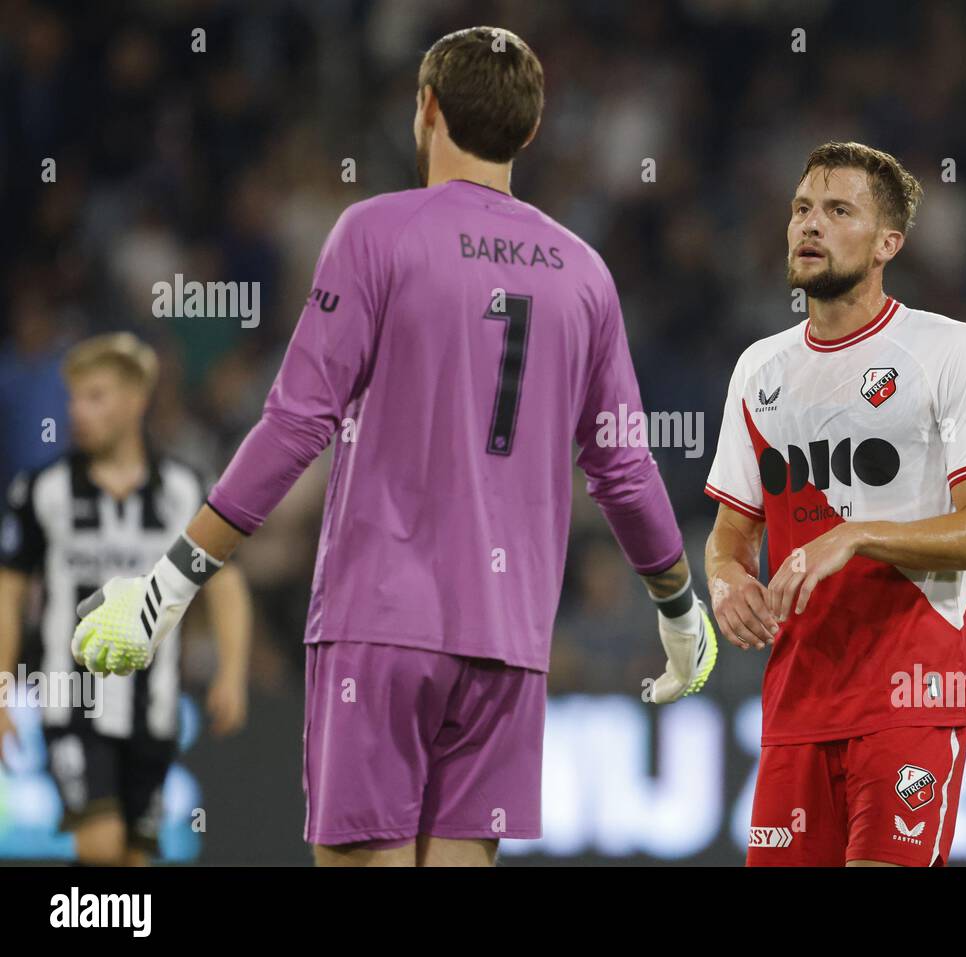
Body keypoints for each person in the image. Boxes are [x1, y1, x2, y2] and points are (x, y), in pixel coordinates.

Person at [68, 27, 716, 868]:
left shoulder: (376, 232)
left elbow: (297, 421)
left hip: (382, 622)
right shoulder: (585, 273)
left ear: (428, 110)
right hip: (508, 641)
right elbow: (624, 466)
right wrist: (677, 609)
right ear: (529, 130)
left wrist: (168, 584)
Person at [704, 142, 966, 867]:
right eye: (801, 209)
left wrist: (856, 535)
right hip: (796, 702)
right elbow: (729, 537)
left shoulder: (949, 351)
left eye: (837, 210)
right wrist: (727, 584)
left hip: (911, 693)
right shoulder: (759, 368)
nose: (809, 226)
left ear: (888, 244)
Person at [0, 332, 251, 865]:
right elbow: (10, 588)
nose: (77, 411)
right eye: (73, 398)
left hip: (154, 710)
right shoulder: (42, 490)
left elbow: (226, 582)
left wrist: (232, 669)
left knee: (134, 858)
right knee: (100, 845)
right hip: (71, 704)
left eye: (95, 396)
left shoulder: (184, 488)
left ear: (137, 400)